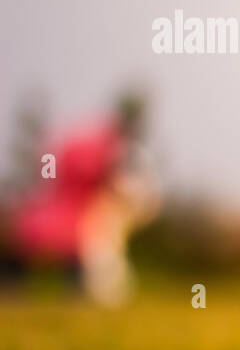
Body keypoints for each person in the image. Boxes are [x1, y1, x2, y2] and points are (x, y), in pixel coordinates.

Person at [8, 95, 159, 304]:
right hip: (69, 203)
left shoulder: (102, 142)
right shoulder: (99, 143)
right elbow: (99, 173)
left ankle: (70, 292)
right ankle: (16, 287)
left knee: (68, 246)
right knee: (64, 244)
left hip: (72, 203)